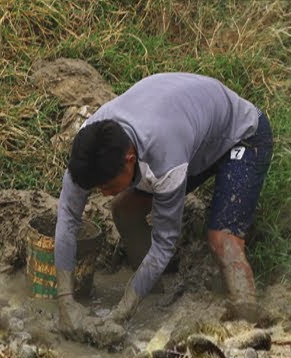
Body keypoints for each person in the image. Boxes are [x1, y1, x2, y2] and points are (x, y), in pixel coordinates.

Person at [51, 72, 273, 343]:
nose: (104, 193)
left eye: (108, 185)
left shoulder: (165, 156)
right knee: (124, 210)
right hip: (191, 132)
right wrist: (65, 302)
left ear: (130, 159)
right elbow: (67, 218)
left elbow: (164, 243)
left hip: (242, 136)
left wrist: (121, 313)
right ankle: (156, 294)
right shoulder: (88, 147)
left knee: (222, 237)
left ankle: (248, 327)